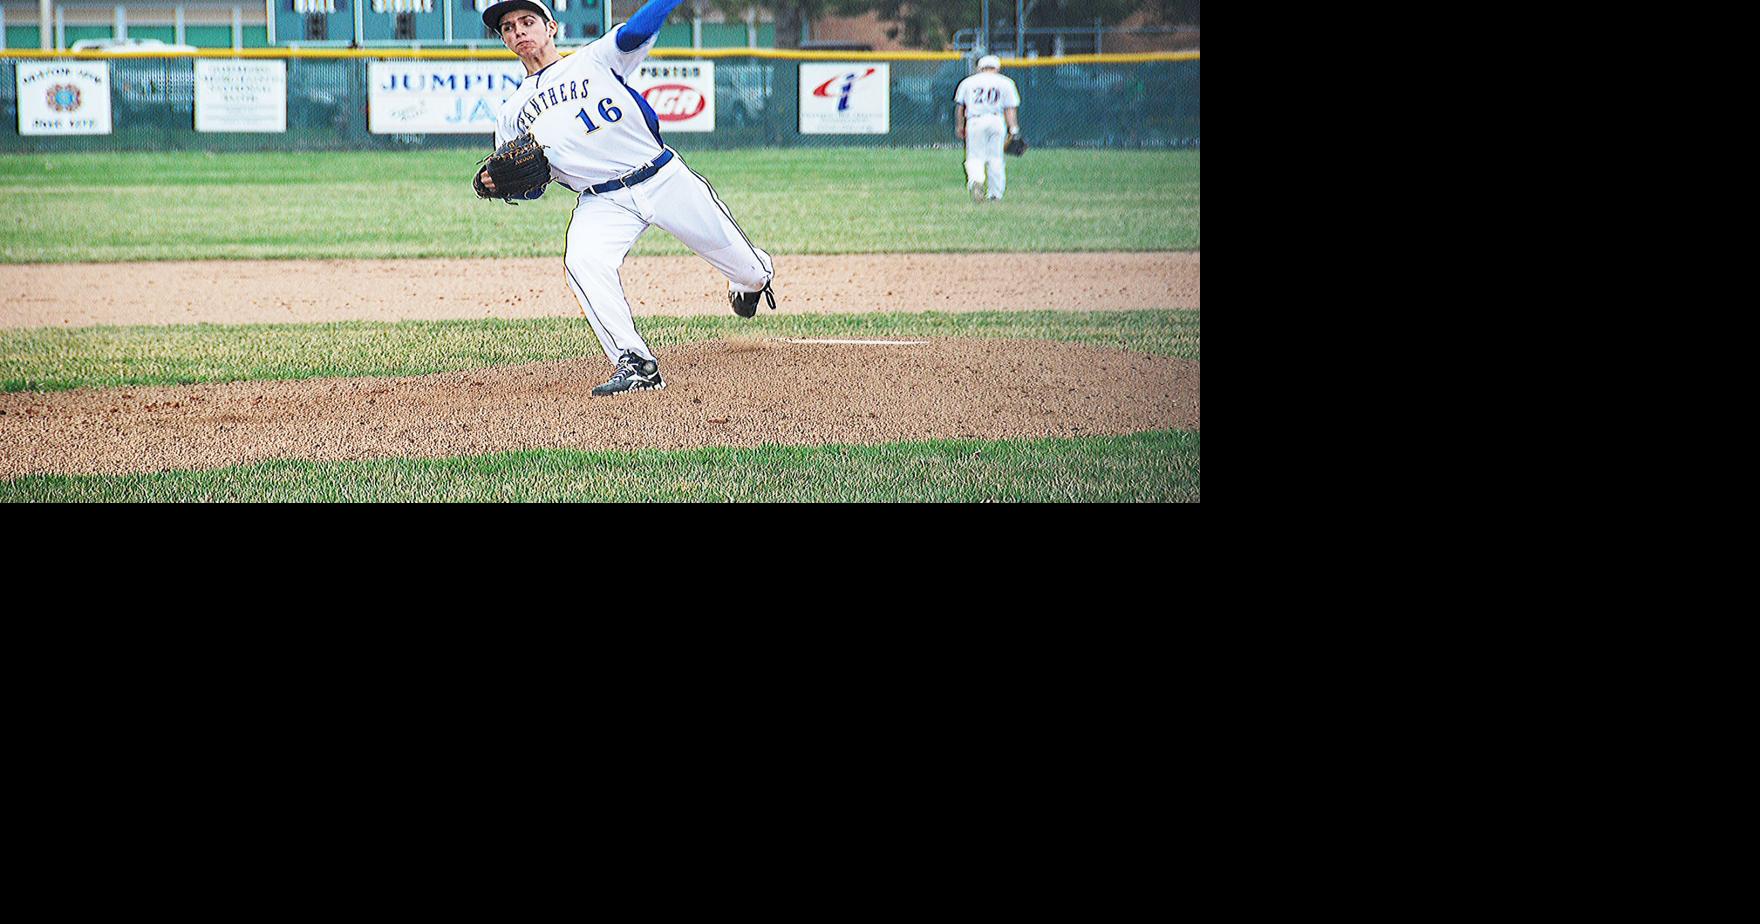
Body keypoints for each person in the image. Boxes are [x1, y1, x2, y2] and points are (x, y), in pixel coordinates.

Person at [476, 0, 775, 397]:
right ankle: (635, 362)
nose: (518, 31)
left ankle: (752, 280)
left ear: (552, 27)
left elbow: (635, 32)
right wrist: (497, 184)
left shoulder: (594, 59)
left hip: (663, 178)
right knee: (582, 261)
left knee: (751, 271)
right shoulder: (512, 112)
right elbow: (531, 184)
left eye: (527, 21)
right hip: (602, 200)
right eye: (508, 28)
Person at [952, 55, 1022, 202]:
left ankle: (976, 180)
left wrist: (959, 126)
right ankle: (995, 194)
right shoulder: (1006, 82)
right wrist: (1013, 129)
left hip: (975, 121)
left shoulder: (968, 82)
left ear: (979, 68)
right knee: (996, 158)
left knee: (975, 157)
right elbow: (1009, 109)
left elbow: (960, 107)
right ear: (997, 68)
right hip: (996, 120)